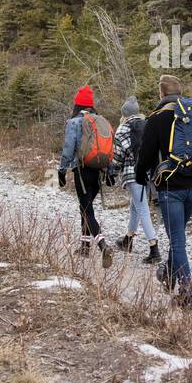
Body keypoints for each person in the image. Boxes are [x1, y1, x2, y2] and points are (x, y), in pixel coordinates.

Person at [135, 74, 192, 310]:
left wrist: (140, 177)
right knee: (177, 234)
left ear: (161, 93)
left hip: (170, 187)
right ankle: (168, 274)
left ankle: (187, 291)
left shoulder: (157, 118)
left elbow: (146, 155)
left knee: (177, 240)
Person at [57, 85, 115, 267]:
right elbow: (111, 147)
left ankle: (103, 245)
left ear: (77, 105)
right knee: (86, 207)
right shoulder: (101, 121)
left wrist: (61, 170)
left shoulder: (74, 122)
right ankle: (84, 246)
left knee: (87, 209)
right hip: (97, 170)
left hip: (81, 170)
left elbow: (68, 149)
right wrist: (110, 171)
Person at [109, 95, 161, 264]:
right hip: (149, 173)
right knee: (135, 206)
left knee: (142, 208)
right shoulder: (148, 124)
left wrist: (112, 172)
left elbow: (118, 156)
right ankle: (128, 239)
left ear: (124, 113)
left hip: (133, 174)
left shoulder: (123, 128)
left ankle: (154, 249)